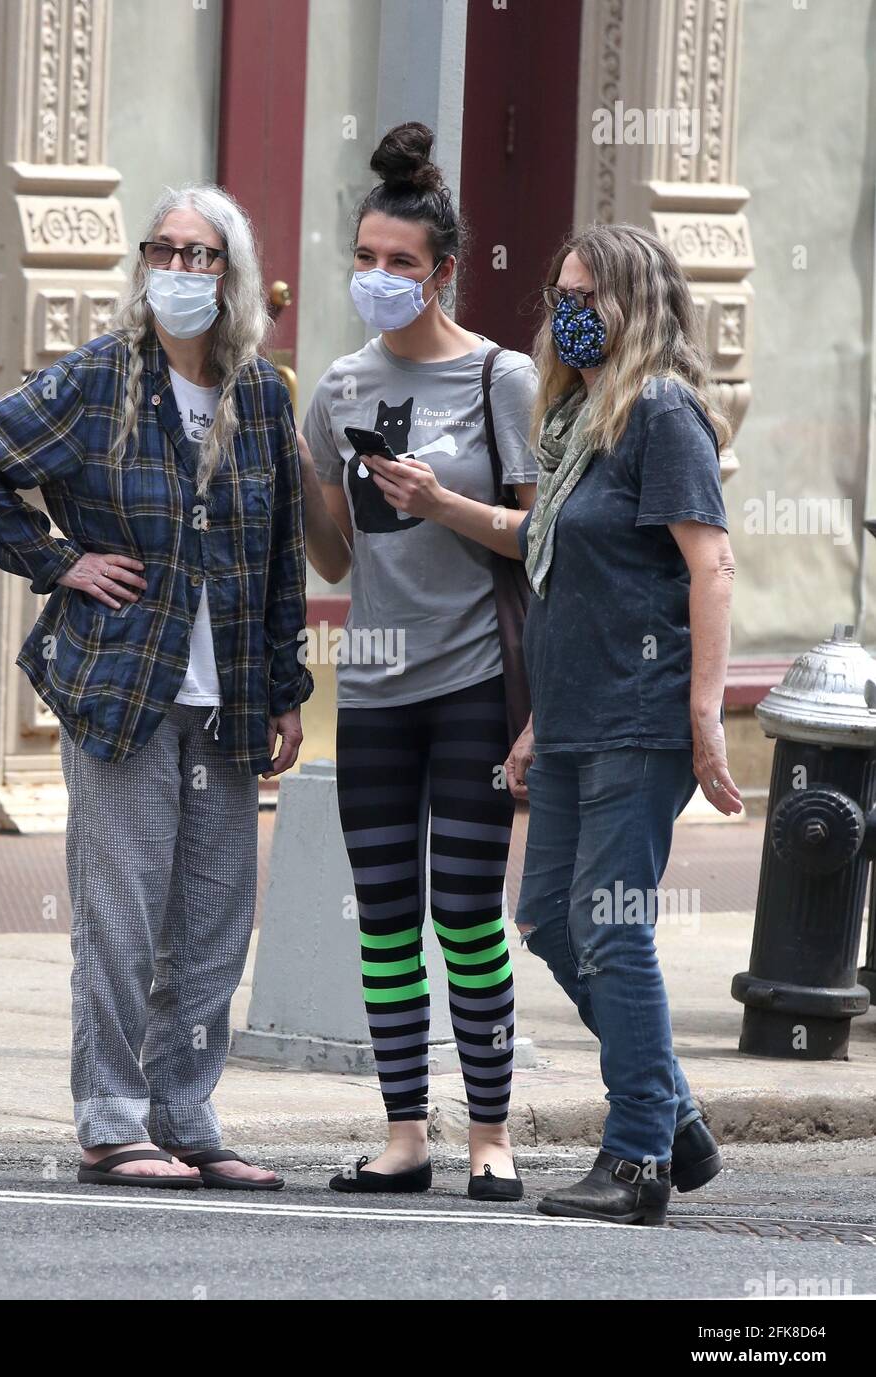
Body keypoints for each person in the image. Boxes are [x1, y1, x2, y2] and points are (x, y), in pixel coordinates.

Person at [0, 184, 312, 1191]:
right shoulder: (100, 380)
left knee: (217, 918)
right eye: (164, 250)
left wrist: (284, 687)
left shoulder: (262, 394)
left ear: (231, 276)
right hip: (120, 692)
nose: (180, 271)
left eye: (201, 255)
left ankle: (188, 1114)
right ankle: (110, 1118)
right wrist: (60, 562)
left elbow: (279, 557)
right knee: (123, 915)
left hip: (224, 701)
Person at [300, 122, 538, 1201]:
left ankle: (490, 1132)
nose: (378, 278)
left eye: (401, 263)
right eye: (364, 258)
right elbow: (335, 553)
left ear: (443, 272)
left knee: (468, 916)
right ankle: (405, 1132)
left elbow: (544, 540)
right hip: (377, 686)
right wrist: (307, 487)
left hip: (478, 684)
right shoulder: (339, 387)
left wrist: (447, 503)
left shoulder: (505, 379)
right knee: (386, 913)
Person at [505, 223, 740, 1225]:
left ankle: (640, 1153)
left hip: (638, 719)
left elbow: (712, 565)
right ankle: (674, 1112)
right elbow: (570, 586)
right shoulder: (576, 427)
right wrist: (532, 724)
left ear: (638, 305)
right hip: (570, 719)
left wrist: (704, 713)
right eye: (561, 291)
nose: (569, 311)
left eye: (589, 295)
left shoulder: (663, 411)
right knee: (550, 919)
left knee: (611, 928)